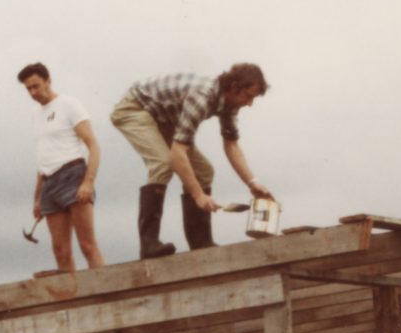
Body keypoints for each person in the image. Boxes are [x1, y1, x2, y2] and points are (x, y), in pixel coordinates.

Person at [110, 63, 274, 258]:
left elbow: (232, 145)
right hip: (135, 109)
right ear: (234, 87)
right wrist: (198, 195)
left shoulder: (229, 104)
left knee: (204, 171)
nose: (249, 104)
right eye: (248, 96)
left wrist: (253, 183)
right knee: (163, 163)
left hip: (164, 118)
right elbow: (178, 153)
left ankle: (201, 243)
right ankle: (149, 244)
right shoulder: (202, 97)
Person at [17, 62, 105, 274]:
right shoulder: (35, 114)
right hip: (48, 181)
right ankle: (71, 302)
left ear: (48, 81)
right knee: (60, 251)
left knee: (87, 245)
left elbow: (93, 145)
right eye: (28, 89)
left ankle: (105, 294)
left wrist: (88, 182)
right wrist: (37, 198)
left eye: (36, 86)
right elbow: (43, 157)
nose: (33, 92)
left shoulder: (69, 105)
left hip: (72, 175)